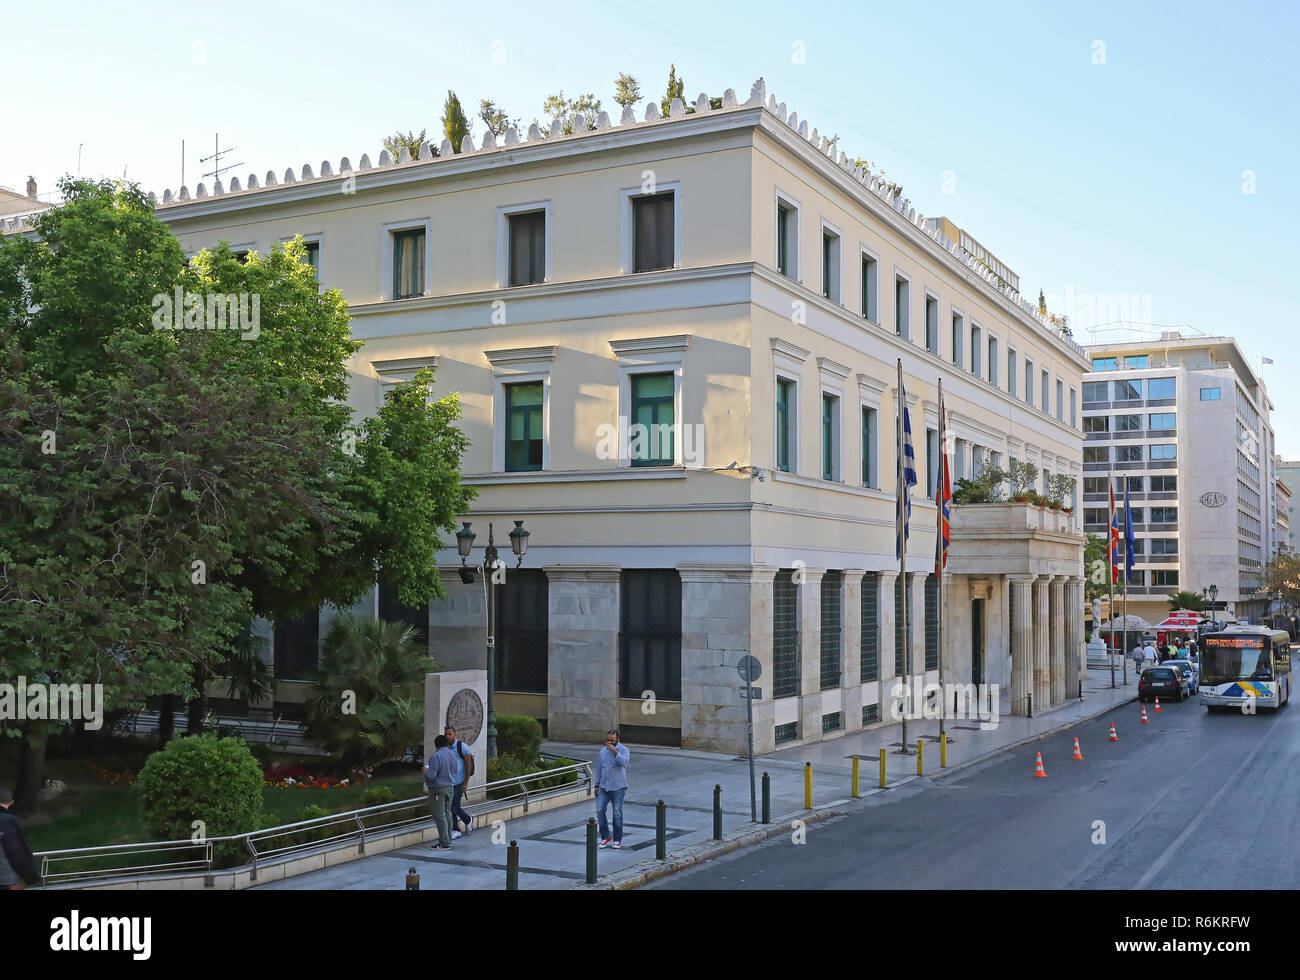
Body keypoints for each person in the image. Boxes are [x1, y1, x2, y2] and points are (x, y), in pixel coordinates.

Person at [593, 729, 630, 849]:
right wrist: (597, 785)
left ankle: (617, 839)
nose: (609, 743)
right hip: (604, 786)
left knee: (617, 813)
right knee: (599, 810)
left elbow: (624, 763)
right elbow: (599, 768)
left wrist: (615, 751)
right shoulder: (602, 751)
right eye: (607, 740)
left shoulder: (624, 750)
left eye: (612, 741)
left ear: (617, 740)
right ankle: (605, 836)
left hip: (618, 787)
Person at [423, 735, 458, 850]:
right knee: (448, 813)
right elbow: (455, 770)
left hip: (437, 789)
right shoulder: (452, 754)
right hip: (450, 787)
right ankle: (448, 839)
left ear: (436, 744)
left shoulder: (436, 756)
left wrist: (425, 771)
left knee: (439, 815)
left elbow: (431, 775)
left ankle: (444, 842)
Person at [0, 786, 39, 889]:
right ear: (11, 802)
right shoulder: (8, 821)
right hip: (4, 879)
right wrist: (29, 877)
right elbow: (16, 851)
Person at [444, 725, 475, 839]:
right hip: (448, 782)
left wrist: (465, 782)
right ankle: (455, 829)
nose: (447, 736)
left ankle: (468, 819)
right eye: (446, 734)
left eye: (449, 734)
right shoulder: (445, 748)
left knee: (455, 807)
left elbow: (468, 765)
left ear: (454, 734)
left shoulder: (463, 747)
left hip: (459, 782)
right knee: (449, 806)